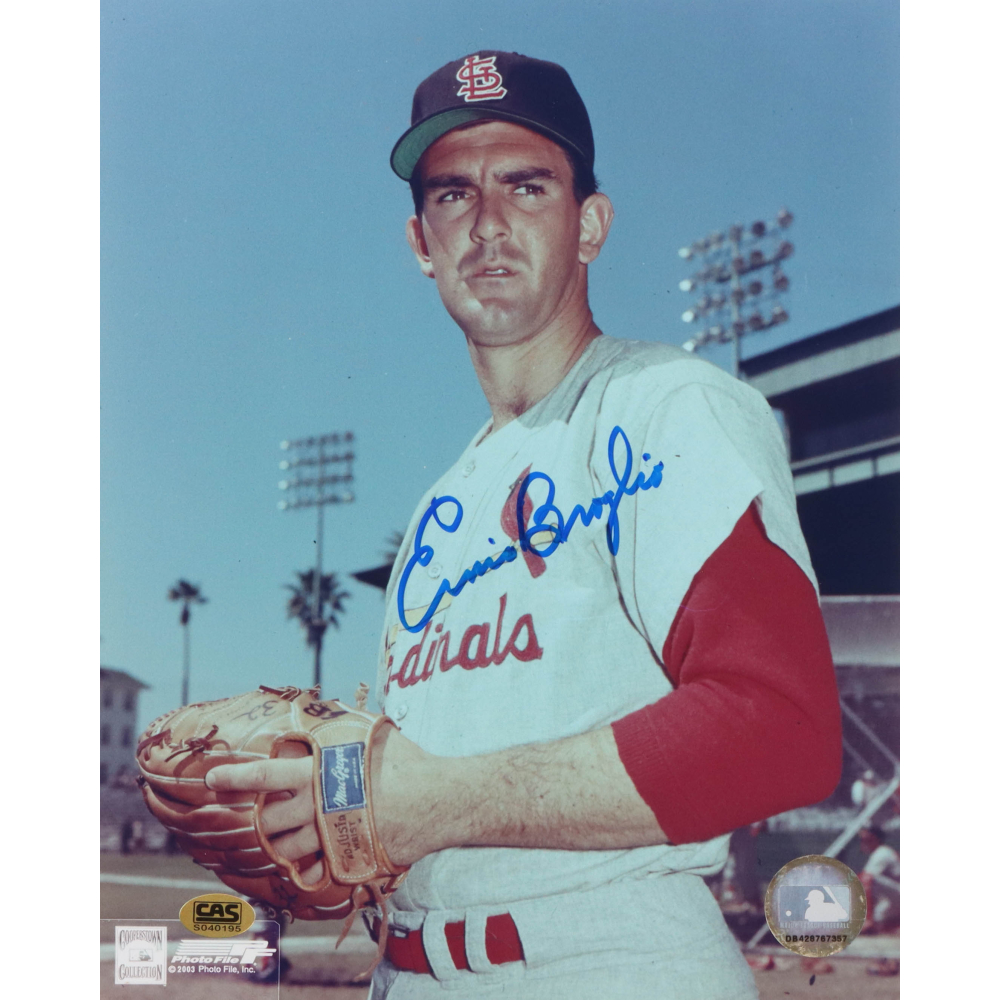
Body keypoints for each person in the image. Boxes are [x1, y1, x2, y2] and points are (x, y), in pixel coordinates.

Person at [209, 51, 842, 999]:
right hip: (408, 973)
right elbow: (404, 791)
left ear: (590, 223)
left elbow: (781, 727)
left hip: (604, 963)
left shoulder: (667, 406)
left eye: (526, 184)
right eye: (454, 195)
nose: (489, 223)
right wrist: (325, 820)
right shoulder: (439, 507)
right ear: (421, 241)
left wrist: (428, 803)